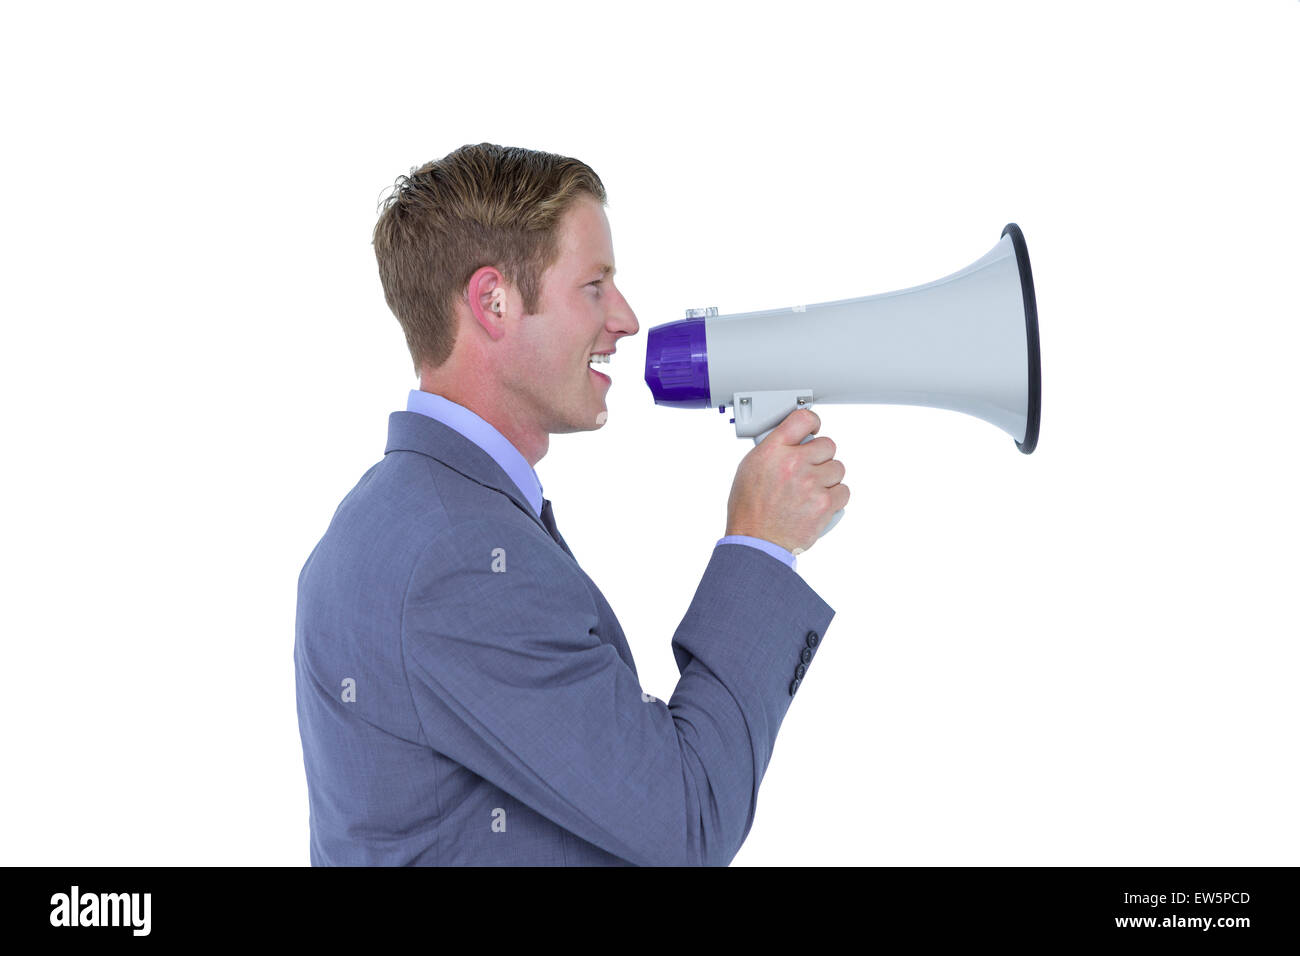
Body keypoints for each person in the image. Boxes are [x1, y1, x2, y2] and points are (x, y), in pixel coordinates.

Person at [294, 143, 850, 865]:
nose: (625, 319)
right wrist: (760, 546)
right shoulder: (457, 558)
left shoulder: (409, 514)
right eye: (594, 285)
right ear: (493, 301)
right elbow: (686, 819)